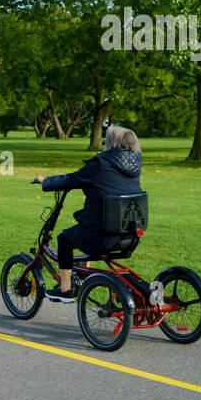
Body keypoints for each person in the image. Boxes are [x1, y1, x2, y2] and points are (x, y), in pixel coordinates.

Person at [34, 125, 143, 303]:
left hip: (100, 236)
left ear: (110, 144)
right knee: (88, 225)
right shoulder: (134, 166)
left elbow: (71, 179)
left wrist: (45, 181)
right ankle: (84, 271)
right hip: (127, 235)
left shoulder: (100, 165)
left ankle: (66, 289)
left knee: (64, 239)